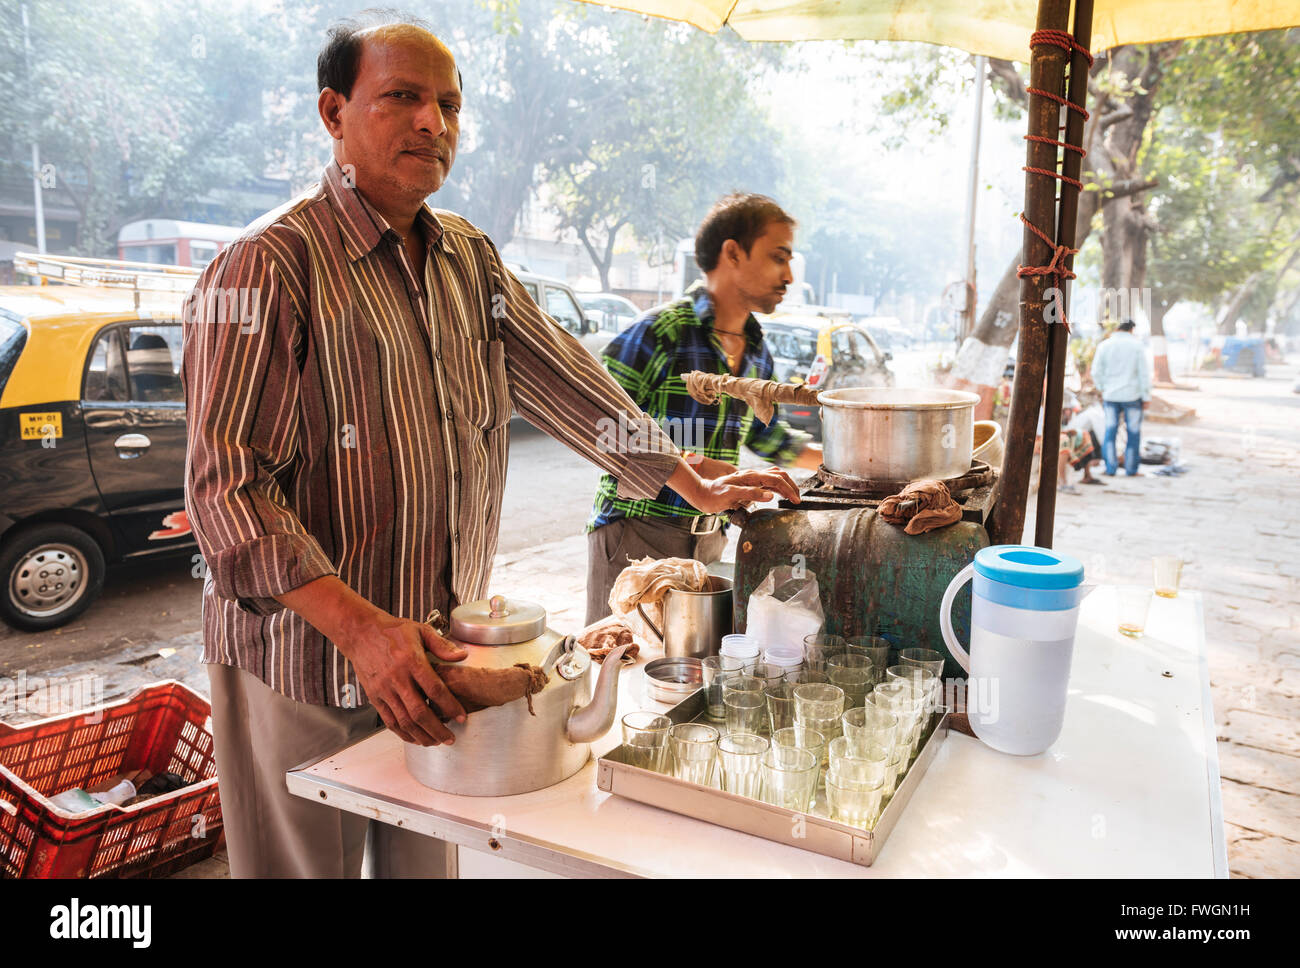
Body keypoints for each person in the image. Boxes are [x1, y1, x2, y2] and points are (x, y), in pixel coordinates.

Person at [181, 12, 798, 879]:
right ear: (333, 112)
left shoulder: (469, 257)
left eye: (450, 105)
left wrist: (685, 477)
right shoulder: (265, 266)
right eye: (402, 97)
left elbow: (569, 385)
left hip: (443, 654)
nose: (434, 123)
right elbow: (227, 492)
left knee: (429, 862)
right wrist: (364, 634)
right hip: (302, 660)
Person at [584, 193, 822, 626]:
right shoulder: (660, 333)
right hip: (636, 536)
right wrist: (698, 468)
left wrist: (854, 466)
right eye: (778, 257)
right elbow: (598, 426)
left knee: (683, 677)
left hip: (711, 541)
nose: (789, 275)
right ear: (732, 253)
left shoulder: (756, 353)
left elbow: (771, 440)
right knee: (619, 663)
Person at [1089, 318, 1152, 477]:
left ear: (1117, 329)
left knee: (1110, 432)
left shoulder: (1105, 345)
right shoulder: (1137, 346)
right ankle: (1131, 469)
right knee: (1133, 433)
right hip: (1133, 396)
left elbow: (1096, 371)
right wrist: (1146, 396)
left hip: (1110, 396)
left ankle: (1110, 468)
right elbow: (1143, 374)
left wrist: (1103, 388)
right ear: (1132, 329)